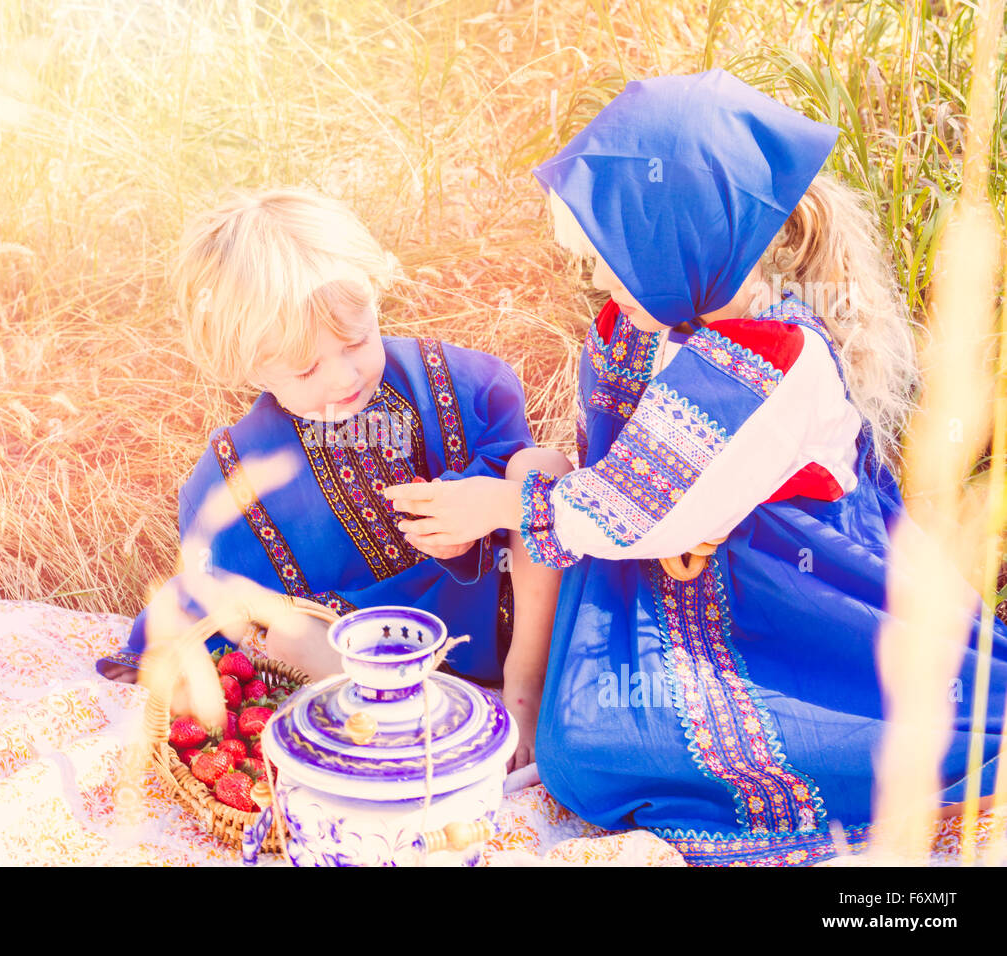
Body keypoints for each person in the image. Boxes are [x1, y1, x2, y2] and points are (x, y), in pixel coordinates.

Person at [384, 69, 1007, 865]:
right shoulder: (652, 318)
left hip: (798, 617)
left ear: (685, 241)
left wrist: (502, 508)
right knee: (588, 749)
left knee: (596, 759)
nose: (602, 282)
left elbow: (639, 505)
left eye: (616, 259)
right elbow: (619, 466)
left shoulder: (774, 361)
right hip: (671, 589)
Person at [97, 187, 535, 700]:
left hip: (492, 614)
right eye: (306, 368)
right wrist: (159, 648)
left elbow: (521, 484)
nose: (343, 377)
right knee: (286, 638)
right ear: (251, 365)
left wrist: (472, 508)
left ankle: (525, 687)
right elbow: (212, 589)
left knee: (538, 469)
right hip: (356, 647)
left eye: (356, 341)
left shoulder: (461, 383)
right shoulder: (237, 472)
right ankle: (414, 713)